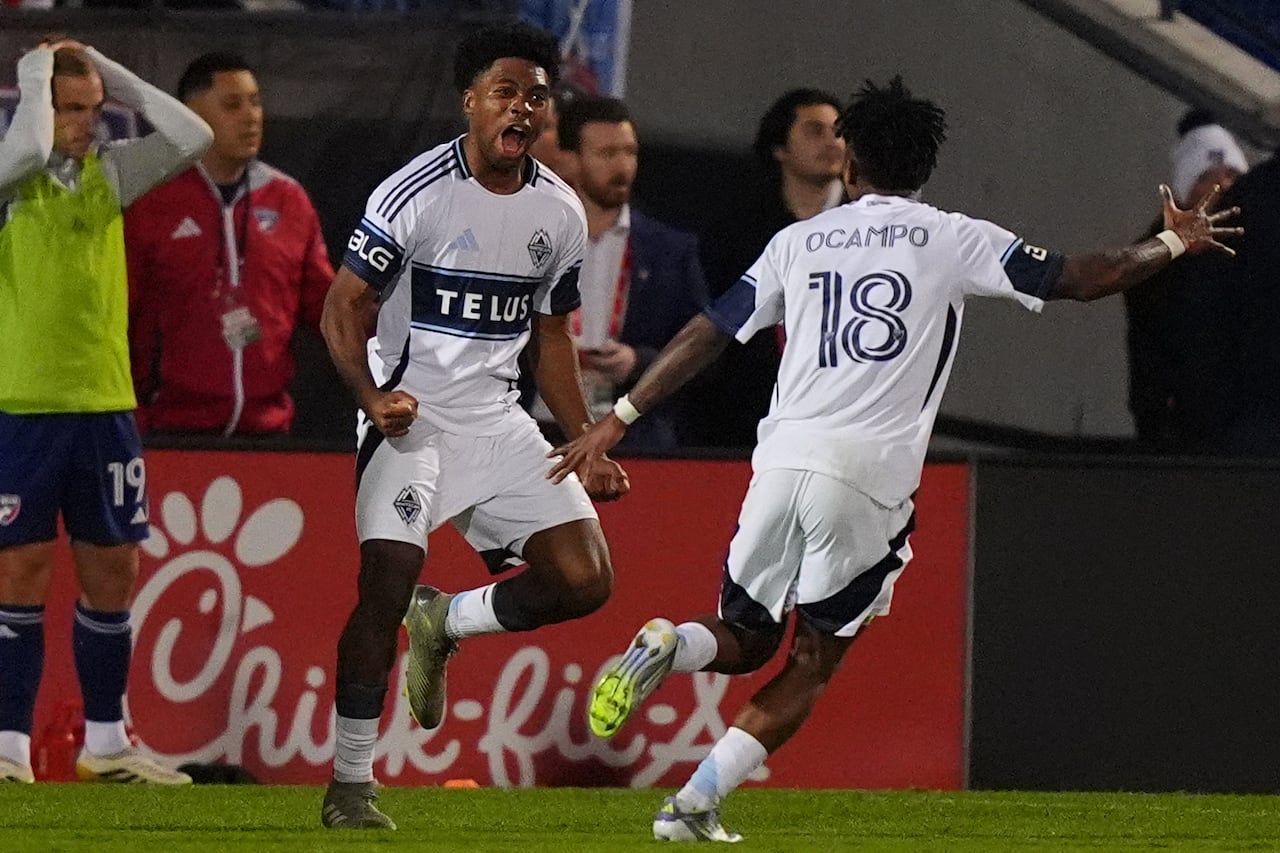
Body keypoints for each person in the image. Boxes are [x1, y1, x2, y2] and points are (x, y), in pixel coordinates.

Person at [549, 77, 1240, 842]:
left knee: (744, 636)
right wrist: (1173, 239)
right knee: (813, 656)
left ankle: (669, 645)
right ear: (925, 166)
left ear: (851, 160)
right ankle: (692, 803)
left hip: (779, 459)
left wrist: (621, 416)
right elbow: (1082, 277)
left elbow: (709, 331)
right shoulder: (951, 235)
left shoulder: (798, 239)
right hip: (867, 477)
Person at [318, 21, 629, 829]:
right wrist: (369, 398)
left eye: (536, 95)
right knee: (384, 580)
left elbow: (552, 336)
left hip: (497, 422)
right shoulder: (413, 193)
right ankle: (352, 782)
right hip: (409, 420)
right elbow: (341, 306)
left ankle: (446, 620)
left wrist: (584, 434)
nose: (522, 108)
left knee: (586, 577)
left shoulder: (558, 212)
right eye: (506, 92)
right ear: (471, 102)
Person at [0, 37, 212, 784]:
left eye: (93, 111)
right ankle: (9, 751)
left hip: (106, 404)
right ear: (34, 106)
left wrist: (106, 73)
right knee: (20, 570)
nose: (85, 124)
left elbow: (194, 135)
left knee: (113, 570)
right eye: (70, 110)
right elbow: (24, 150)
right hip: (21, 405)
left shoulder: (109, 175)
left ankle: (105, 744)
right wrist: (35, 73)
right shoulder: (8, 178)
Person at [125, 52, 335, 437]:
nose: (251, 116)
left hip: (267, 432)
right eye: (232, 104)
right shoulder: (151, 202)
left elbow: (328, 309)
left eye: (255, 102)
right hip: (170, 431)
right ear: (190, 115)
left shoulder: (288, 199)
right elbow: (120, 315)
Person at [529, 95, 710, 450]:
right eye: (607, 154)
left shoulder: (669, 251)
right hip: (535, 434)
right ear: (569, 159)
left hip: (630, 439)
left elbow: (704, 352)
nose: (623, 166)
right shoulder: (530, 240)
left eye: (630, 152)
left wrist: (638, 362)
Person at [699, 89, 846, 448]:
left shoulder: (870, 223)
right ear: (779, 148)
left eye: (838, 132)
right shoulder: (739, 226)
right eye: (815, 131)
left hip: (842, 412)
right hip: (747, 415)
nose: (832, 142)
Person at [1124, 109, 1248, 451]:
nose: (1223, 185)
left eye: (1233, 174)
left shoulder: (1252, 253)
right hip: (1185, 436)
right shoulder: (1152, 266)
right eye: (1208, 175)